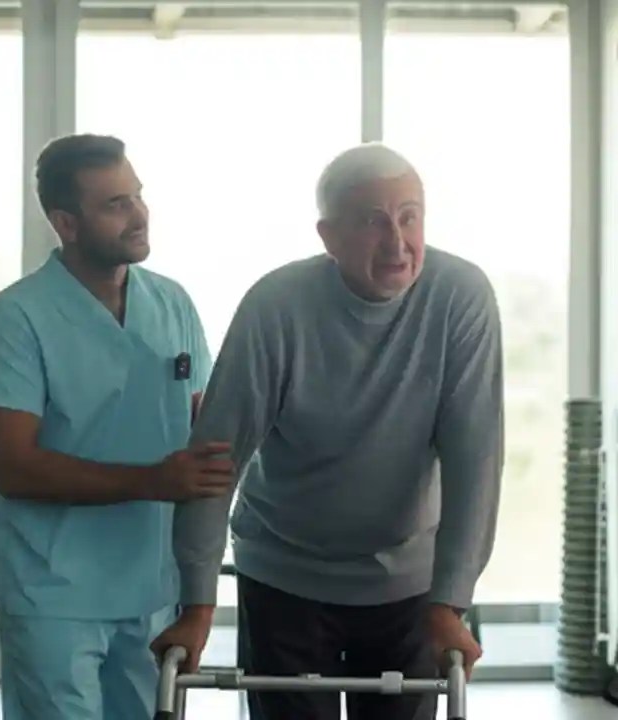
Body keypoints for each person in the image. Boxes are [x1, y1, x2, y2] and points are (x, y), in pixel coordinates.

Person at [151, 142, 504, 720]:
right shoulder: (277, 306)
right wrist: (197, 605)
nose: (397, 242)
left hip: (408, 584)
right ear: (329, 236)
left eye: (409, 216)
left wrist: (450, 603)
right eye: (373, 222)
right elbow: (215, 460)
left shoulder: (459, 297)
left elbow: (476, 460)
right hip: (284, 574)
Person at [0, 133, 236, 719]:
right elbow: (15, 468)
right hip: (53, 594)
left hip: (153, 589)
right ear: (66, 222)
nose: (138, 215)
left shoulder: (173, 305)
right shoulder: (14, 320)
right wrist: (154, 481)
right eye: (115, 204)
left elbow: (206, 439)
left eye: (137, 196)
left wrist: (197, 594)